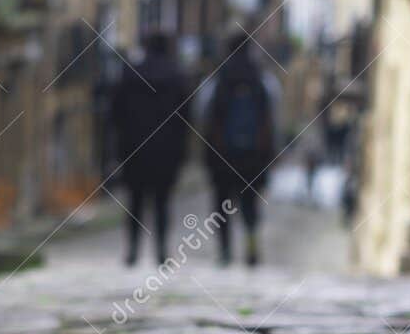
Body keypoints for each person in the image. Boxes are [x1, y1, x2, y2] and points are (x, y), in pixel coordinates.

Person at [108, 32, 191, 267]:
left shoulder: (130, 73)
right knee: (162, 203)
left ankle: (132, 250)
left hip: (134, 148)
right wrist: (181, 151)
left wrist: (120, 145)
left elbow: (115, 114)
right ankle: (161, 250)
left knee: (134, 202)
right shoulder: (177, 77)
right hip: (166, 152)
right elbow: (186, 120)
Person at [200, 32, 281, 266]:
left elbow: (203, 113)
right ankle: (251, 245)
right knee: (250, 204)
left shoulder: (217, 79)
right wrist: (272, 151)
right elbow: (273, 118)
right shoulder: (263, 80)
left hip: (222, 155)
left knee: (221, 205)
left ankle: (225, 252)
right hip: (253, 157)